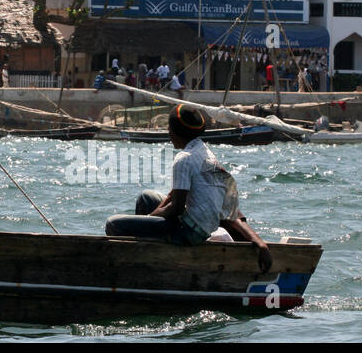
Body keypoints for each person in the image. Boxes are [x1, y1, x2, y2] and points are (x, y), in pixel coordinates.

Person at [105, 106, 272, 272]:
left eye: (169, 128)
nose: (168, 133)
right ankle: (146, 252)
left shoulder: (183, 159)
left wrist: (150, 217)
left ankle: (135, 267)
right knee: (146, 197)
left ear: (176, 132)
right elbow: (174, 195)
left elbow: (176, 208)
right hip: (200, 225)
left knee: (113, 224)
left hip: (189, 232)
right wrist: (151, 218)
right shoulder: (204, 151)